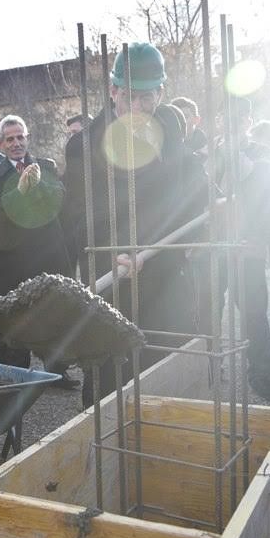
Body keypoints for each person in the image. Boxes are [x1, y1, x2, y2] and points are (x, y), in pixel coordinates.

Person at [63, 42, 200, 406]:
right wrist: (116, 253)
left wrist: (208, 218)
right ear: (112, 91)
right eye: (129, 98)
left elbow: (188, 189)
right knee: (112, 377)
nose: (139, 108)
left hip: (166, 271)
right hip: (115, 276)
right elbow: (80, 217)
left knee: (170, 370)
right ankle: (109, 452)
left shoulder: (171, 124)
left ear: (160, 92)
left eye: (148, 98)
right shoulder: (85, 144)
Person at [0, 114, 78, 388]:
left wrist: (38, 183)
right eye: (10, 139)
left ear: (27, 138)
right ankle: (15, 374)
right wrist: (18, 193)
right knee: (16, 315)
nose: (16, 143)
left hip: (47, 251)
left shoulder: (45, 166)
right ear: (0, 143)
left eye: (21, 137)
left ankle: (57, 370)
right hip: (12, 258)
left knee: (53, 309)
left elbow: (60, 199)